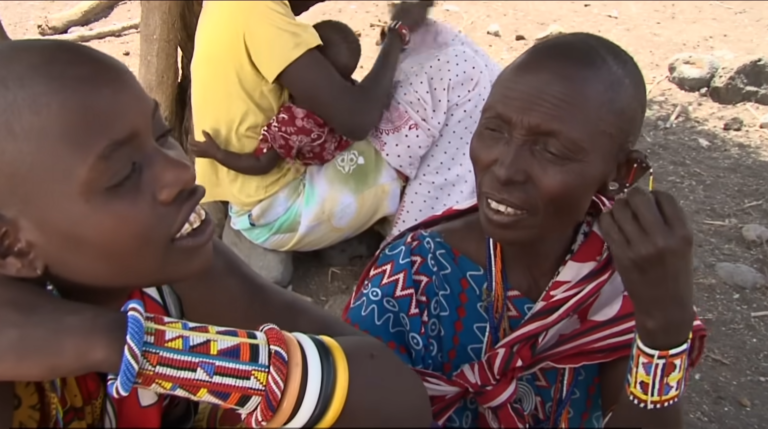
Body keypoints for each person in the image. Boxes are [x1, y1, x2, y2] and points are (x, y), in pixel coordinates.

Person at [0, 39, 432, 428]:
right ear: (13, 247)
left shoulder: (170, 277)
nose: (181, 171)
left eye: (161, 135)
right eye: (124, 173)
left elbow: (395, 397)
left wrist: (132, 346)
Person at [344, 33, 707, 428]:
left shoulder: (621, 281)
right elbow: (353, 398)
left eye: (551, 150)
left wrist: (664, 334)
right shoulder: (413, 274)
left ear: (622, 174)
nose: (504, 169)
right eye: (495, 130)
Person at [191, 0, 432, 253]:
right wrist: (396, 35)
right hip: (275, 207)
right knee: (407, 151)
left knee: (386, 127)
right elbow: (356, 120)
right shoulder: (259, 15)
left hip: (248, 189)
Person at [369, 19, 501, 238]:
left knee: (430, 33)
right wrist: (392, 46)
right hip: (343, 171)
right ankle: (415, 237)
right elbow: (353, 122)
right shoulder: (291, 37)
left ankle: (461, 201)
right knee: (461, 70)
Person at [190, 20, 361, 172]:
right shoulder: (349, 92)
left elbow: (260, 163)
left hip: (329, 173)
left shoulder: (292, 124)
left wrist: (218, 153)